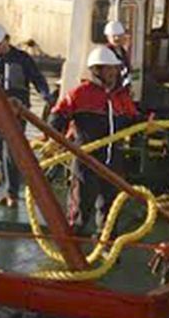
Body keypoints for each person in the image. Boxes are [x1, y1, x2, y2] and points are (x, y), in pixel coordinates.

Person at [49, 47, 141, 234]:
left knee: (110, 210)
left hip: (112, 162)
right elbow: (56, 118)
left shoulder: (120, 98)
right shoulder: (80, 94)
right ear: (97, 70)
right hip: (86, 161)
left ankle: (107, 245)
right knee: (81, 209)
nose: (113, 73)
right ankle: (72, 248)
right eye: (109, 69)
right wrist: (56, 138)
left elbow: (133, 119)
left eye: (114, 69)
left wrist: (148, 122)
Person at [0, 23, 54, 207]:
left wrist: (45, 95)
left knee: (11, 152)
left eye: (0, 45)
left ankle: (12, 194)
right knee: (0, 154)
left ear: (7, 40)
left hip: (18, 112)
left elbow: (37, 79)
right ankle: (6, 189)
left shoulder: (22, 59)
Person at [104, 20, 133, 90]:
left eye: (119, 36)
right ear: (108, 37)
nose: (117, 38)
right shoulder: (105, 53)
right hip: (112, 89)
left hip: (122, 88)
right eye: (114, 36)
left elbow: (127, 69)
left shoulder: (123, 52)